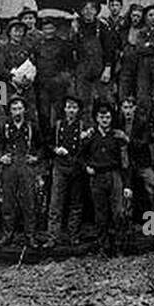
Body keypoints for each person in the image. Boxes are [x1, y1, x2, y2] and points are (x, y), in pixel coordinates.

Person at [83, 102, 127, 255]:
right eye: (102, 117)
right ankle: (104, 246)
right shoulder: (90, 136)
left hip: (114, 174)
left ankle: (119, 245)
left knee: (118, 212)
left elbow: (125, 161)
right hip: (97, 177)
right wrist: (86, 166)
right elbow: (80, 155)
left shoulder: (117, 136)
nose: (105, 120)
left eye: (108, 117)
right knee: (101, 214)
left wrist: (127, 184)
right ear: (96, 118)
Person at [0, 96, 41, 247]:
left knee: (29, 202)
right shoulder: (6, 127)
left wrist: (36, 158)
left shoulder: (31, 127)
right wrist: (1, 157)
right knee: (8, 203)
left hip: (26, 166)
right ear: (10, 111)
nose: (17, 112)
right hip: (10, 167)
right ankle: (7, 235)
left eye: (19, 108)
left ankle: (30, 236)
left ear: (25, 110)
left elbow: (42, 147)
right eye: (14, 109)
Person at [46, 94, 88, 247]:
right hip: (60, 167)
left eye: (74, 108)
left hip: (76, 168)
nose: (71, 110)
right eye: (69, 107)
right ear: (64, 109)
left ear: (78, 110)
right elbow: (49, 144)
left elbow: (87, 149)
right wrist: (56, 149)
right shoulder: (58, 125)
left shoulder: (83, 127)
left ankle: (73, 235)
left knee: (76, 204)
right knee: (55, 203)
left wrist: (84, 139)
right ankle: (52, 237)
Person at [119, 96, 154, 226]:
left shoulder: (142, 123)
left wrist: (127, 139)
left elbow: (143, 142)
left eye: (130, 107)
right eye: (125, 107)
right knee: (125, 192)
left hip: (141, 161)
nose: (128, 111)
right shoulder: (117, 122)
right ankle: (127, 222)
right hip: (125, 163)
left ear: (135, 108)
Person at [33, 13, 76, 131]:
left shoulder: (63, 44)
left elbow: (70, 64)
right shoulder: (37, 45)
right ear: (42, 30)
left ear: (55, 29)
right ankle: (45, 140)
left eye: (51, 28)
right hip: (42, 83)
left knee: (59, 111)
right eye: (45, 28)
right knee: (43, 112)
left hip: (58, 83)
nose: (48, 31)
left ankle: (58, 136)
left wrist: (63, 78)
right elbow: (33, 63)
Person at [73, 0, 115, 112]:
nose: (88, 11)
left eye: (92, 8)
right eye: (85, 9)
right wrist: (74, 32)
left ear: (96, 11)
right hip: (82, 69)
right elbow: (72, 49)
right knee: (83, 100)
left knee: (104, 99)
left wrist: (108, 68)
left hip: (100, 68)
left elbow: (109, 49)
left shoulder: (102, 26)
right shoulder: (76, 26)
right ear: (81, 11)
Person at [0, 19, 37, 117]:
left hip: (26, 86)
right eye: (16, 31)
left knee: (29, 113)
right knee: (6, 113)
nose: (18, 34)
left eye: (21, 31)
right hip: (7, 85)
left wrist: (28, 79)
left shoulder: (28, 48)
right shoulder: (3, 48)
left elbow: (33, 65)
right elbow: (0, 67)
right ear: (10, 32)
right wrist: (12, 77)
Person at [117, 5, 145, 102]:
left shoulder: (144, 30)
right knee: (123, 90)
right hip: (126, 64)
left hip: (141, 63)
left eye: (138, 16)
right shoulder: (124, 29)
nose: (135, 19)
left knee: (140, 91)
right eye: (134, 16)